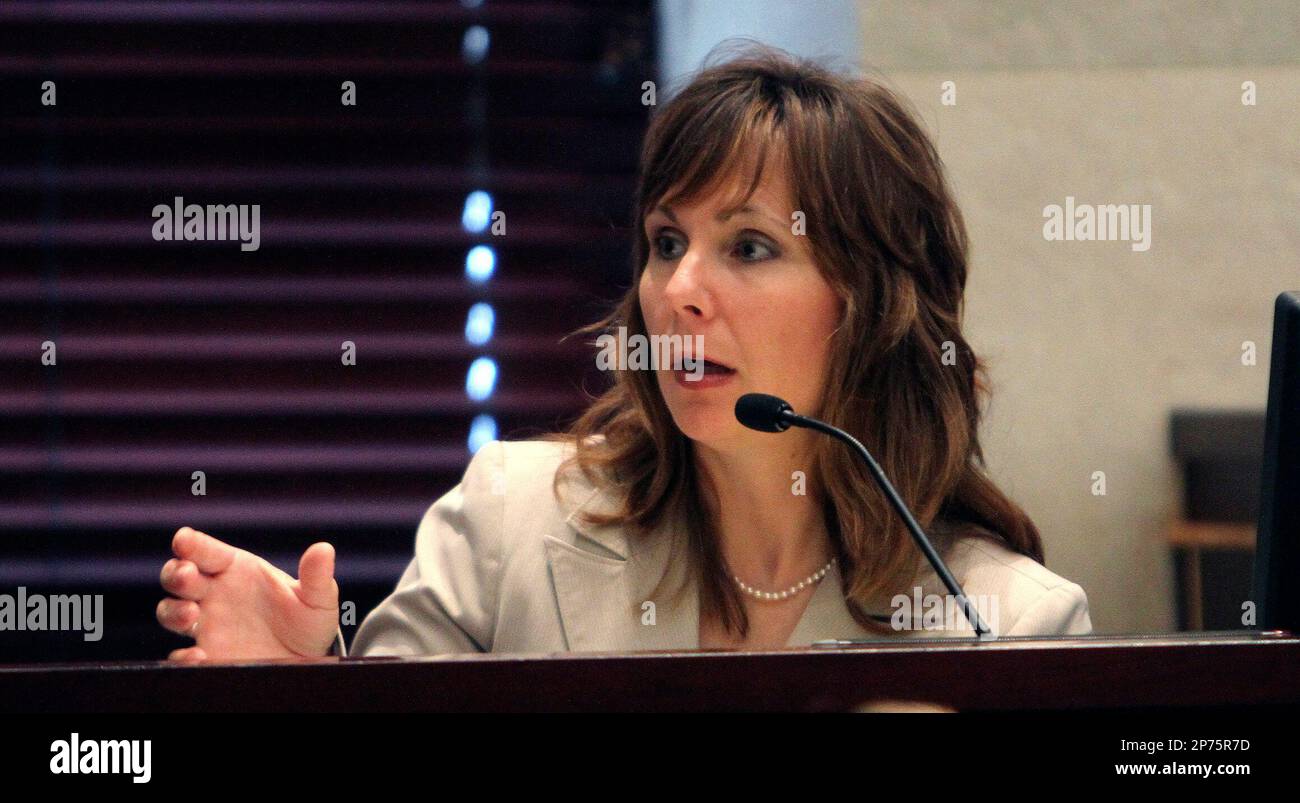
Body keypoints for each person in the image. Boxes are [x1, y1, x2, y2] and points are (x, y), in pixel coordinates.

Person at [156, 44, 1092, 662]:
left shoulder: (1006, 628)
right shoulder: (506, 526)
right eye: (666, 240)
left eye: (750, 246)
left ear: (871, 307)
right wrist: (302, 689)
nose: (679, 288)